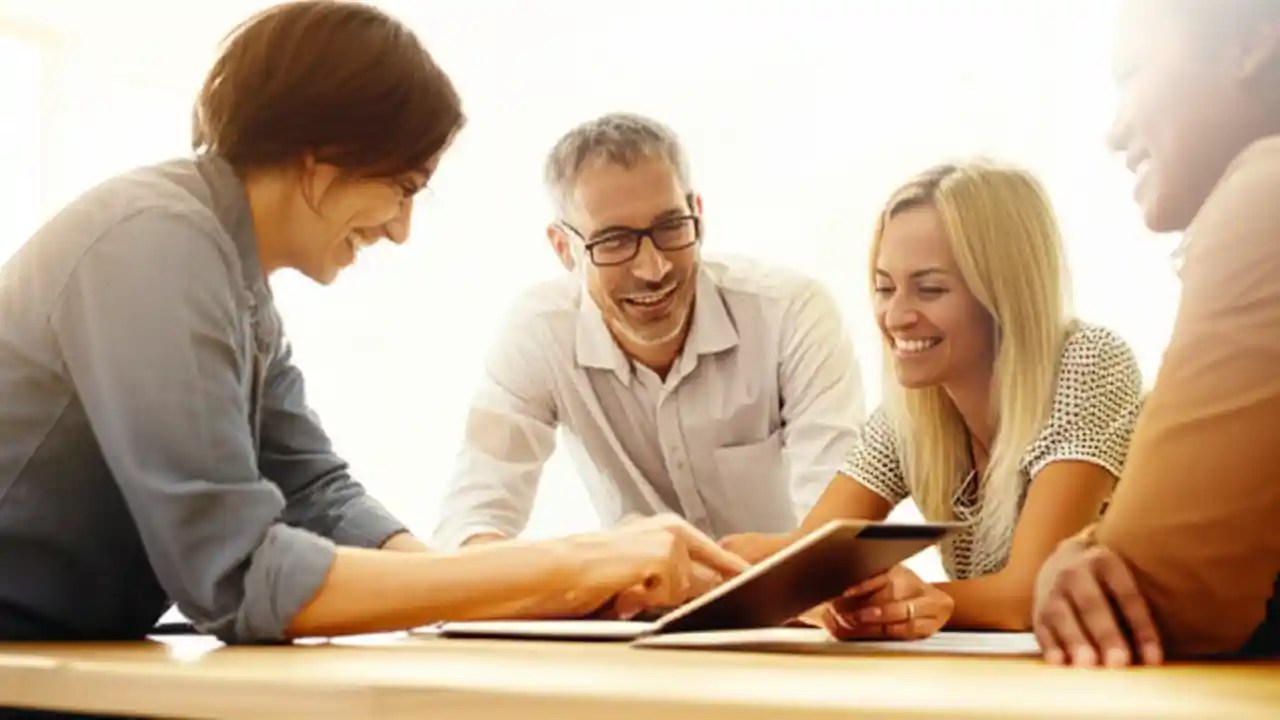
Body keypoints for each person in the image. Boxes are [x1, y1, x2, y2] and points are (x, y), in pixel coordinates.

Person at [0, 1, 744, 647]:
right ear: (322, 160)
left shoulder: (229, 275)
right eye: (402, 187)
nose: (401, 229)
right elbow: (235, 575)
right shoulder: (154, 243)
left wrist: (502, 594)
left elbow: (315, 488)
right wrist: (570, 563)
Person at [720, 161, 1145, 639]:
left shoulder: (1088, 363)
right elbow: (812, 558)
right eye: (884, 288)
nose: (895, 316)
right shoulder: (910, 414)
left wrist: (904, 602)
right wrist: (735, 563)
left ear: (1003, 294)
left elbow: (1028, 594)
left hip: (1152, 673)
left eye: (930, 289)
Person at [432, 112, 865, 550]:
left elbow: (837, 531)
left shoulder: (790, 313)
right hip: (637, 607)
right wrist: (574, 571)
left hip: (793, 604)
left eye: (670, 227)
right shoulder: (539, 333)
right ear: (565, 249)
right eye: (614, 241)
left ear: (698, 214)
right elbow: (471, 521)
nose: (653, 268)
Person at [1033, 0, 1280, 667]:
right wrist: (1082, 554)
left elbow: (1155, 602)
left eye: (1132, 73)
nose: (1115, 132)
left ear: (1251, 44)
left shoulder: (1268, 193)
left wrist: (1080, 563)